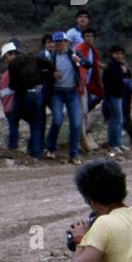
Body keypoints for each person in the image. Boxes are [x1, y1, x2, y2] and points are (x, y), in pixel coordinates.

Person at [45, 31, 87, 164]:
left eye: (61, 41)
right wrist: (52, 75)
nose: (59, 44)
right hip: (57, 93)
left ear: (66, 42)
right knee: (57, 121)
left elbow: (88, 64)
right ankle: (50, 148)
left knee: (75, 124)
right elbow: (44, 73)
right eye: (56, 42)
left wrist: (79, 61)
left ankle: (73, 154)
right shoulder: (51, 57)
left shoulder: (73, 54)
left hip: (72, 92)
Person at [2, 41, 45, 158]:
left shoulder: (12, 68)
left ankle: (13, 147)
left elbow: (11, 88)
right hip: (36, 95)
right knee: (36, 124)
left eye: (6, 58)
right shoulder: (32, 61)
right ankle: (36, 153)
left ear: (12, 54)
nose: (6, 61)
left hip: (21, 97)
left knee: (14, 121)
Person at [101, 45, 132, 154]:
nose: (119, 55)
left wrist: (125, 71)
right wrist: (123, 73)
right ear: (112, 54)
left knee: (119, 119)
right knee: (116, 120)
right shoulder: (111, 65)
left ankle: (118, 143)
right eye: (117, 53)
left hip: (117, 95)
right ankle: (114, 144)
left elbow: (129, 75)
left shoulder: (120, 64)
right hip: (112, 95)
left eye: (121, 53)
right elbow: (115, 79)